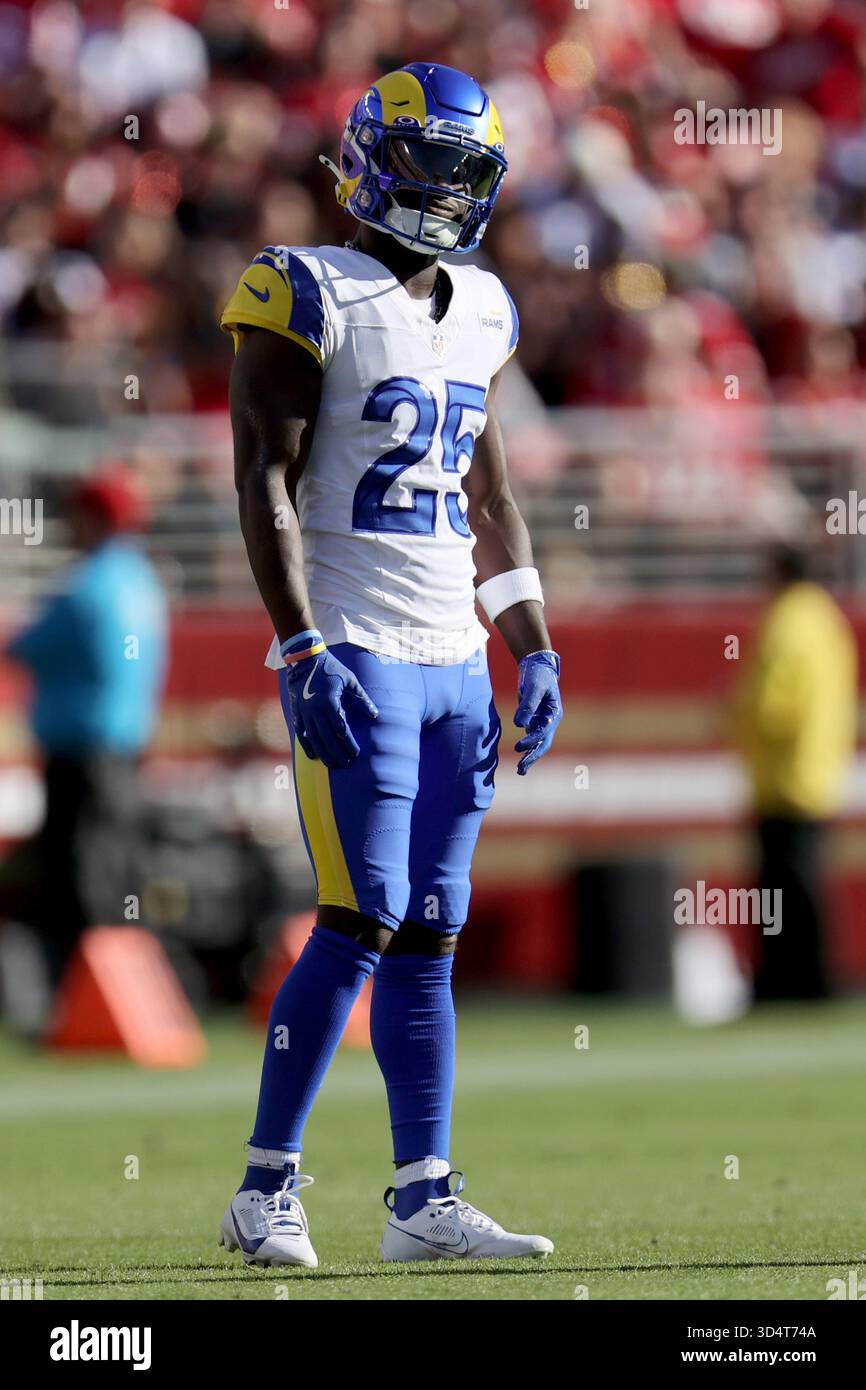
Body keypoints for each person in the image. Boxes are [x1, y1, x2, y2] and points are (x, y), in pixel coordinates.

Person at [218, 63, 562, 1268]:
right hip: (354, 646)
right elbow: (262, 476)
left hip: (453, 660)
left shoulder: (481, 306)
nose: (438, 189)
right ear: (368, 160)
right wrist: (299, 639)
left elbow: (491, 493)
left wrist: (531, 640)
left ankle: (423, 1195)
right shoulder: (300, 284)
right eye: (423, 162)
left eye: (461, 172)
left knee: (427, 930)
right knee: (356, 916)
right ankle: (267, 1188)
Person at [2, 468, 167, 985]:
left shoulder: (85, 584)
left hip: (79, 752)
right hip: (125, 747)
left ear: (92, 518)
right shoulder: (142, 581)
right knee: (120, 867)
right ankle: (132, 983)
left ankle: (82, 988)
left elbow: (24, 646)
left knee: (77, 871)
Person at [731, 545, 857, 1001]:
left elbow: (772, 704)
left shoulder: (786, 620)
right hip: (819, 771)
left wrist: (734, 713)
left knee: (781, 892)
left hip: (783, 777)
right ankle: (812, 979)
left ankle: (788, 983)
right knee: (807, 886)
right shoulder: (826, 619)